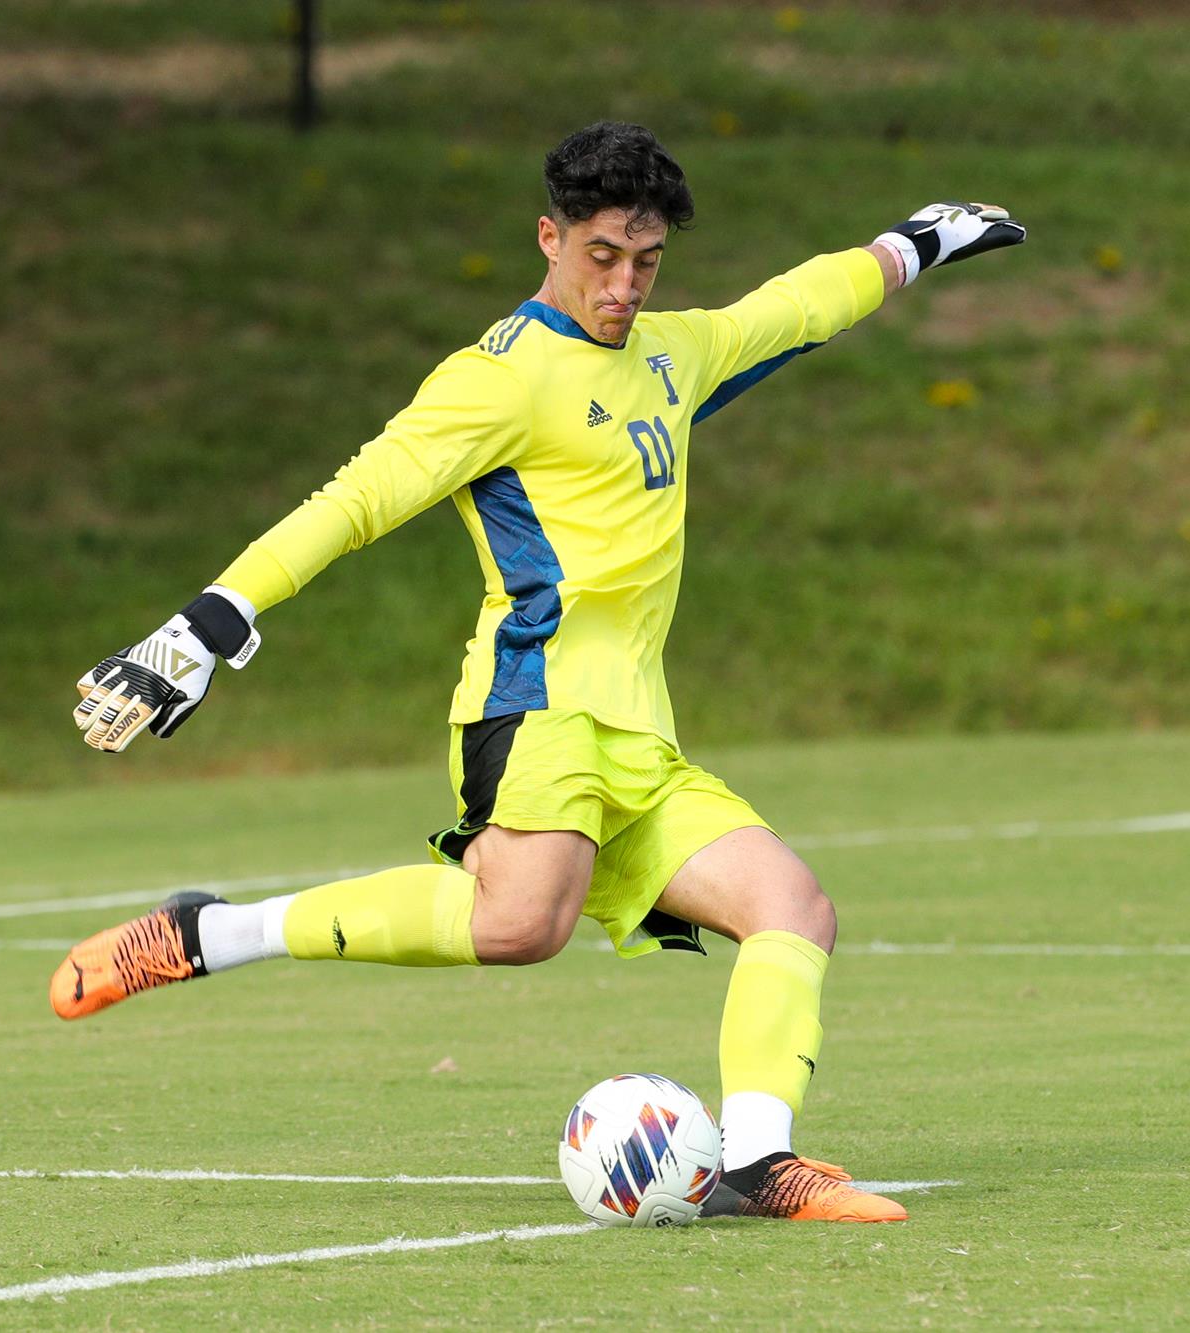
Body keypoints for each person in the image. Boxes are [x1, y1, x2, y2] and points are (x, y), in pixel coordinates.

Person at [52, 121, 1024, 1223]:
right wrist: (204, 626)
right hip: (532, 708)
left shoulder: (670, 354)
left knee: (791, 907)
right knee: (522, 926)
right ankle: (207, 933)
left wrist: (915, 245)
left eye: (644, 261)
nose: (621, 284)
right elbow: (352, 498)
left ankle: (759, 1164)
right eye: (600, 255)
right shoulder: (494, 380)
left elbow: (795, 308)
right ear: (548, 237)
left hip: (639, 734)